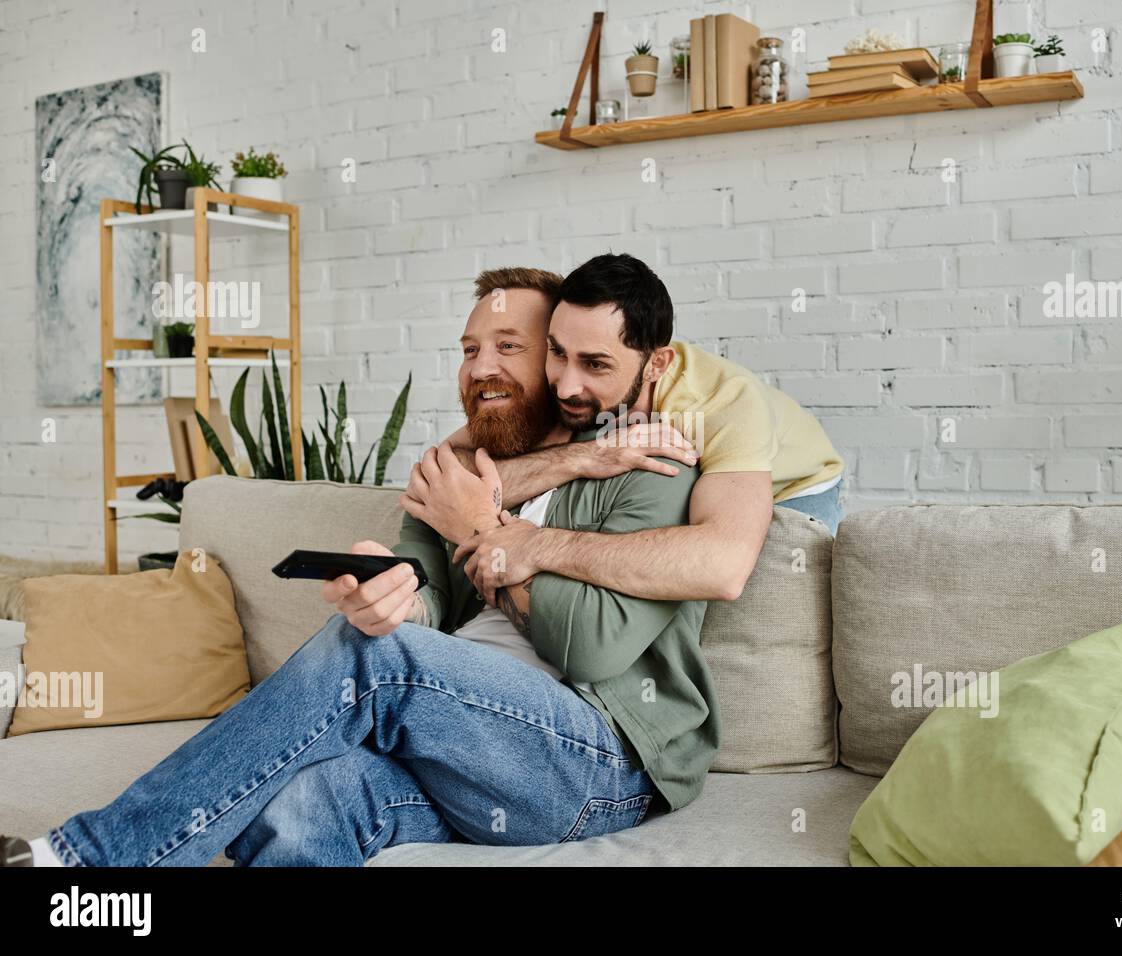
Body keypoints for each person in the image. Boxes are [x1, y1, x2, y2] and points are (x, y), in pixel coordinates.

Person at [0, 267, 718, 867]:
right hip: (462, 752)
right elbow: (428, 600)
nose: (482, 368)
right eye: (469, 348)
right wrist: (398, 601)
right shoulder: (449, 470)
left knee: (381, 658)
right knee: (284, 808)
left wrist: (478, 537)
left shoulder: (644, 461)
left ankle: (89, 862)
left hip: (591, 763)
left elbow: (592, 649)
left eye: (510, 347)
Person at [442, 253, 844, 610]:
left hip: (800, 486)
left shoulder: (721, 405)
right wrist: (581, 457)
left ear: (656, 365)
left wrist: (537, 545)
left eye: (596, 364)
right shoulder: (569, 386)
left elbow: (723, 568)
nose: (565, 386)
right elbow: (448, 476)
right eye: (557, 352)